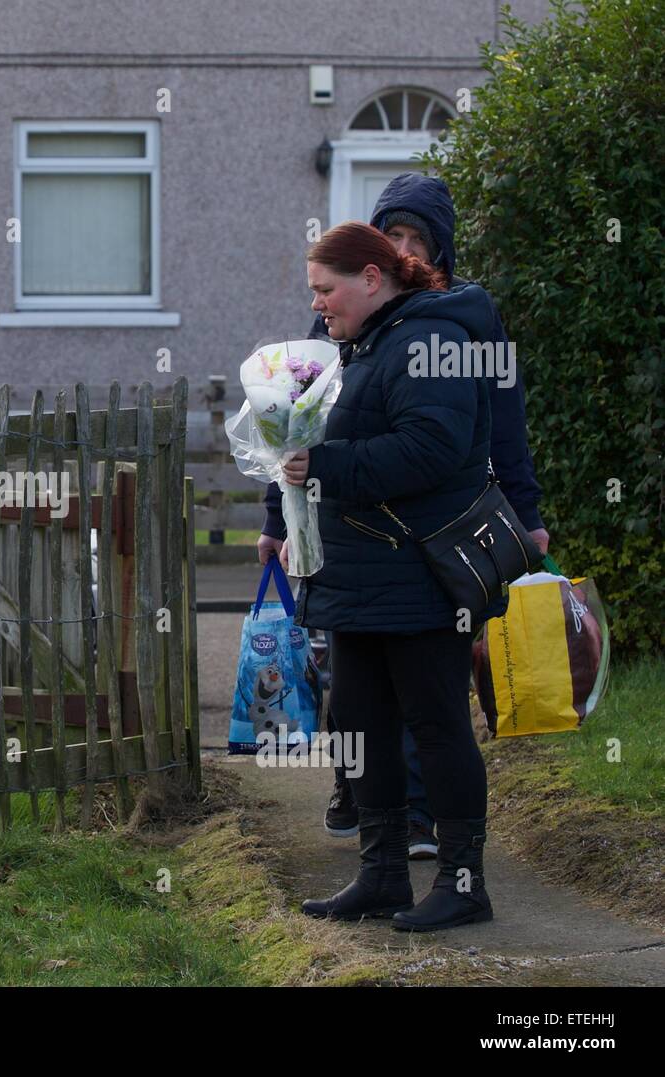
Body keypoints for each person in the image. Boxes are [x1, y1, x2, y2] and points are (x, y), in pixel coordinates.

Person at [258, 173, 547, 859]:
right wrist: (277, 513)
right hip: (352, 551)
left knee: (429, 703)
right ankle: (368, 814)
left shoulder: (453, 330)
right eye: (395, 231)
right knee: (358, 697)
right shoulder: (346, 318)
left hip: (425, 545)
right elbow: (294, 422)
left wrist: (527, 511)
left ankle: (428, 831)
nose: (404, 245)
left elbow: (496, 425)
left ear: (439, 251)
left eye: (418, 237)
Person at [287, 221, 498, 931]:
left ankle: (463, 883)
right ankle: (381, 877)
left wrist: (325, 467)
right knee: (362, 726)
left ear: (372, 279)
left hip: (418, 576)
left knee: (438, 726)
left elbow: (431, 449)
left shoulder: (432, 341)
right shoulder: (363, 344)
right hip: (358, 576)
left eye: (326, 289)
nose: (318, 304)